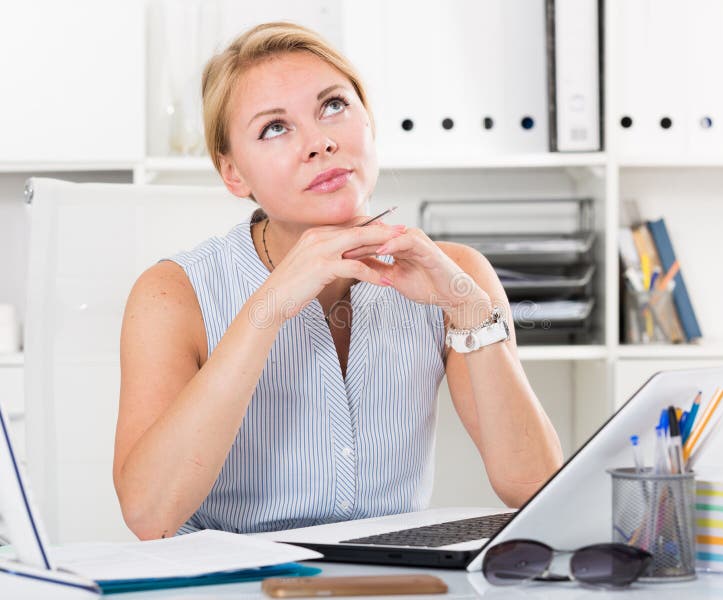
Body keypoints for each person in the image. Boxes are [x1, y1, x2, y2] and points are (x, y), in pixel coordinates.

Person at [113, 22, 563, 541]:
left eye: (333, 106)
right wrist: (272, 305)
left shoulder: (457, 275)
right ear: (234, 174)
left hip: (395, 579)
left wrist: (466, 308)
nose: (320, 143)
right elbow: (148, 515)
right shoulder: (173, 294)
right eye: (274, 128)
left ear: (369, 123)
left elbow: (533, 487)